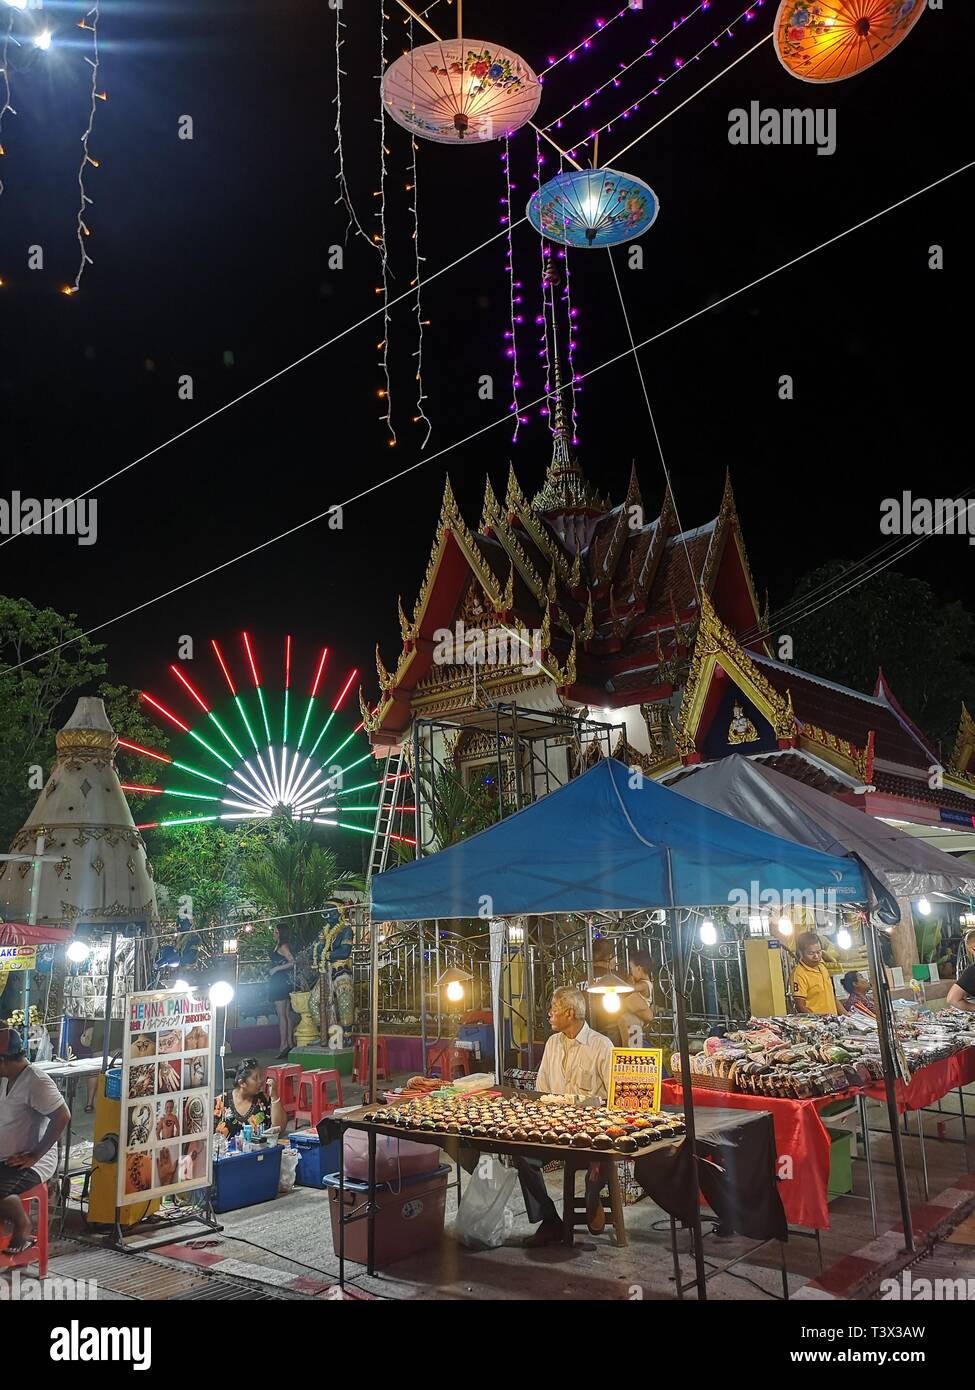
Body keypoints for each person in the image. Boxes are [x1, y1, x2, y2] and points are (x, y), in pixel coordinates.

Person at [520, 986, 614, 1247]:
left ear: (570, 1013)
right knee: (522, 1154)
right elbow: (541, 1091)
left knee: (602, 1155)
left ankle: (592, 1195)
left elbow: (614, 1099)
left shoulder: (601, 1045)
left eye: (554, 1008)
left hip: (591, 1132)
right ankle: (549, 1220)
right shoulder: (552, 1044)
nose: (549, 1014)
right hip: (554, 1129)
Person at [0, 1027, 71, 1255]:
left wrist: (35, 1155)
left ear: (3, 1060)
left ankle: (22, 1223)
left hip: (31, 1161)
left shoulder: (36, 1081)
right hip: (8, 1156)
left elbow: (63, 1116)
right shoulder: (7, 1079)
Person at [214, 1058, 287, 1141]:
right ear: (242, 1083)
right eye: (255, 1078)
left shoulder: (263, 1100)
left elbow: (279, 1129)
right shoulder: (220, 1102)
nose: (260, 1081)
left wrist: (274, 1097)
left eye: (261, 1076)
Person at [791, 932, 847, 1015]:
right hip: (817, 1024)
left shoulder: (822, 967)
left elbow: (832, 996)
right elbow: (800, 1006)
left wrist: (846, 1015)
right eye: (811, 953)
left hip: (832, 1021)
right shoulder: (799, 974)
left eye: (819, 952)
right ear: (801, 953)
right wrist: (818, 1021)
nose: (816, 956)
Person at [267, 926, 297, 1059]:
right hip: (281, 981)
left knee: (282, 1015)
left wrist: (276, 969)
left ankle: (283, 1044)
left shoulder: (283, 946)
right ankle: (289, 1042)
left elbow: (292, 962)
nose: (274, 934)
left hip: (280, 982)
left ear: (281, 934)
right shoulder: (279, 945)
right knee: (285, 1014)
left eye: (276, 932)